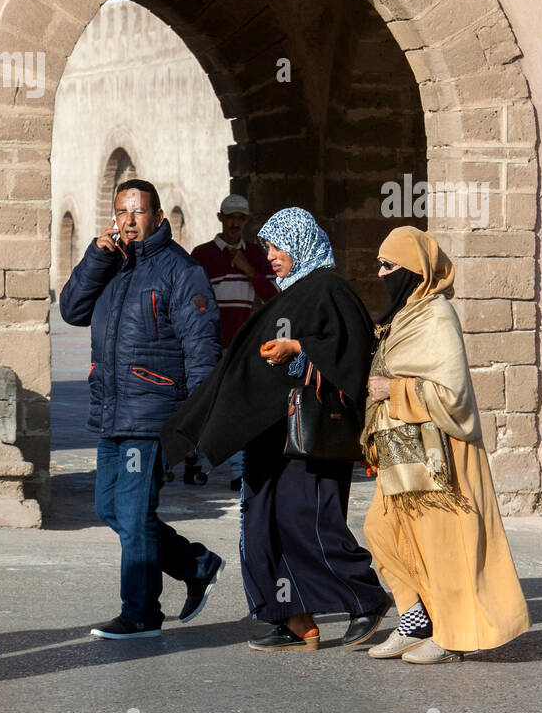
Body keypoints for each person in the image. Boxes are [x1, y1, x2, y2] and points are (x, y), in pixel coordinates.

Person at [162, 207, 390, 651]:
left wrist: (298, 347)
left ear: (300, 242)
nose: (269, 255)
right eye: (266, 246)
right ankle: (293, 619)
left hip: (310, 438)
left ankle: (365, 599)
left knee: (309, 522)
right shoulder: (289, 294)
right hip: (270, 436)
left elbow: (352, 349)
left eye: (276, 246)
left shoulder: (329, 288)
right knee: (264, 523)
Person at [59, 178, 225, 640]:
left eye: (138, 211)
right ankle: (196, 564)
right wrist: (96, 257)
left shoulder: (181, 270)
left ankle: (141, 613)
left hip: (152, 412)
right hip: (111, 409)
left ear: (157, 217)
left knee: (133, 514)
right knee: (109, 507)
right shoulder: (110, 263)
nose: (129, 220)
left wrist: (198, 418)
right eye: (122, 212)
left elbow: (202, 346)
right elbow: (71, 310)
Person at [361, 226, 531, 664]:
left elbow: (453, 396)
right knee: (380, 530)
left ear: (412, 270)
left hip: (441, 453)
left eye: (388, 265)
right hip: (402, 452)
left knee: (444, 546)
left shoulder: (436, 316)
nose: (379, 274)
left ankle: (453, 636)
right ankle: (415, 618)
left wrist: (394, 389)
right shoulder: (404, 315)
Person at [186, 193, 277, 488]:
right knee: (205, 405)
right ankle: (196, 462)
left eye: (241, 218)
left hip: (240, 343)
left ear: (247, 221)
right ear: (221, 218)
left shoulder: (257, 255)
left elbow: (274, 297)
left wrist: (249, 270)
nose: (235, 223)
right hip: (207, 343)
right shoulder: (201, 254)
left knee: (238, 406)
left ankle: (238, 471)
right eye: (230, 217)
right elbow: (190, 298)